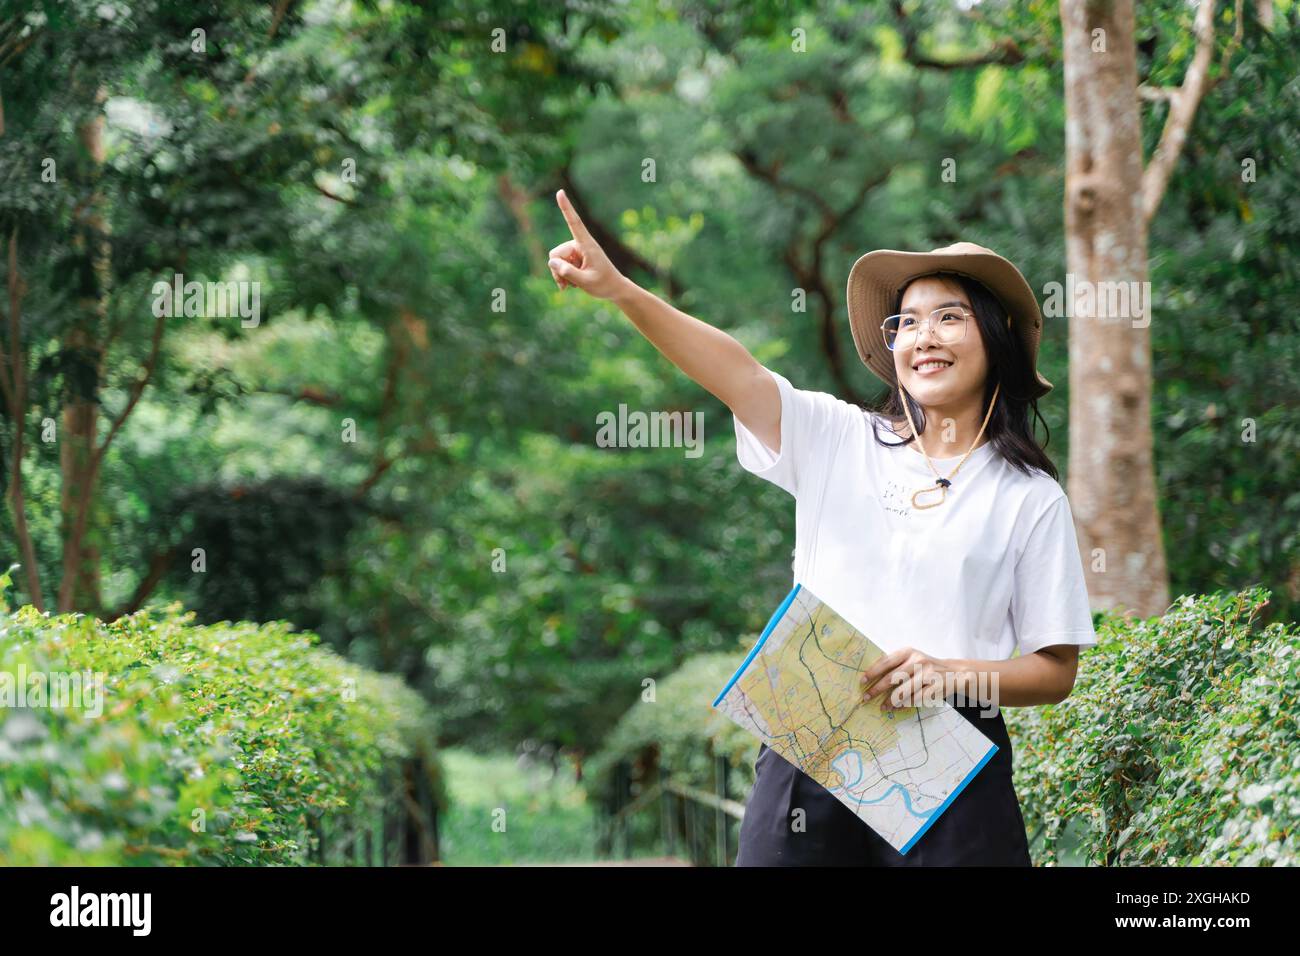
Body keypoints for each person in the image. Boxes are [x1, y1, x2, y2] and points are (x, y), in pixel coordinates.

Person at [547, 189, 1098, 866]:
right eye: (908, 322)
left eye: (950, 317)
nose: (924, 337)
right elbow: (736, 374)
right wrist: (622, 291)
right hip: (811, 743)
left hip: (953, 771)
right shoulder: (838, 438)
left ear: (997, 336)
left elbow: (1055, 670)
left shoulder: (1030, 497)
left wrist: (950, 675)